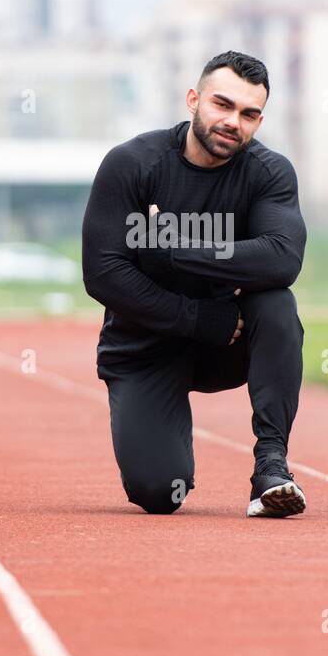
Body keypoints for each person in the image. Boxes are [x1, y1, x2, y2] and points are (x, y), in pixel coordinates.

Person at [81, 51, 308, 518]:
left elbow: (282, 258)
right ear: (192, 99)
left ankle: (271, 465)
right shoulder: (132, 164)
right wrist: (198, 318)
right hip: (147, 347)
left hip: (229, 341)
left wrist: (173, 245)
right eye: (221, 105)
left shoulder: (269, 174)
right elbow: (103, 272)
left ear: (259, 121)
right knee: (160, 493)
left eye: (248, 114)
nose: (232, 122)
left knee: (276, 303)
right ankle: (164, 452)